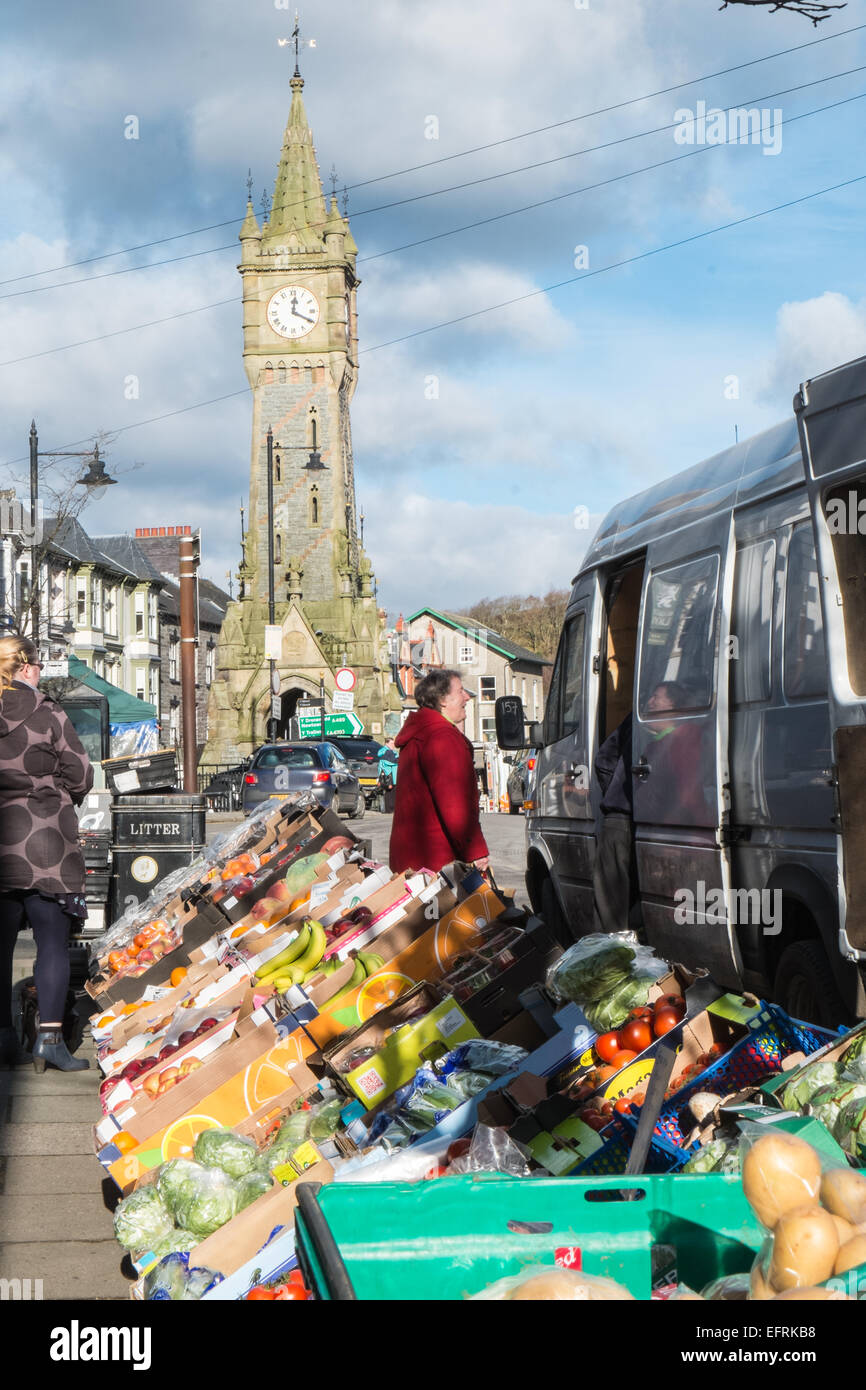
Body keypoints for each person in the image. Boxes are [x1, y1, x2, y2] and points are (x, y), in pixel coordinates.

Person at [0, 636, 94, 1072]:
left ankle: (4, 1037)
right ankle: (51, 1040)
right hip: (45, 841)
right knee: (52, 943)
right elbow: (80, 772)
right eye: (36, 663)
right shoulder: (46, 711)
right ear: (24, 667)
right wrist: (55, 791)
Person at [389, 669, 490, 876]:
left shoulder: (419, 733)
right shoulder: (442, 737)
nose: (467, 697)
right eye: (461, 691)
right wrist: (476, 852)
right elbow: (454, 804)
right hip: (438, 863)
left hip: (411, 860)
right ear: (442, 700)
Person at [591, 709, 638, 935]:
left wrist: (617, 791)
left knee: (610, 910)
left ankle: (615, 959)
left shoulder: (638, 716)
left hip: (620, 817)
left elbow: (603, 759)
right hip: (656, 820)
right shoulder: (681, 726)